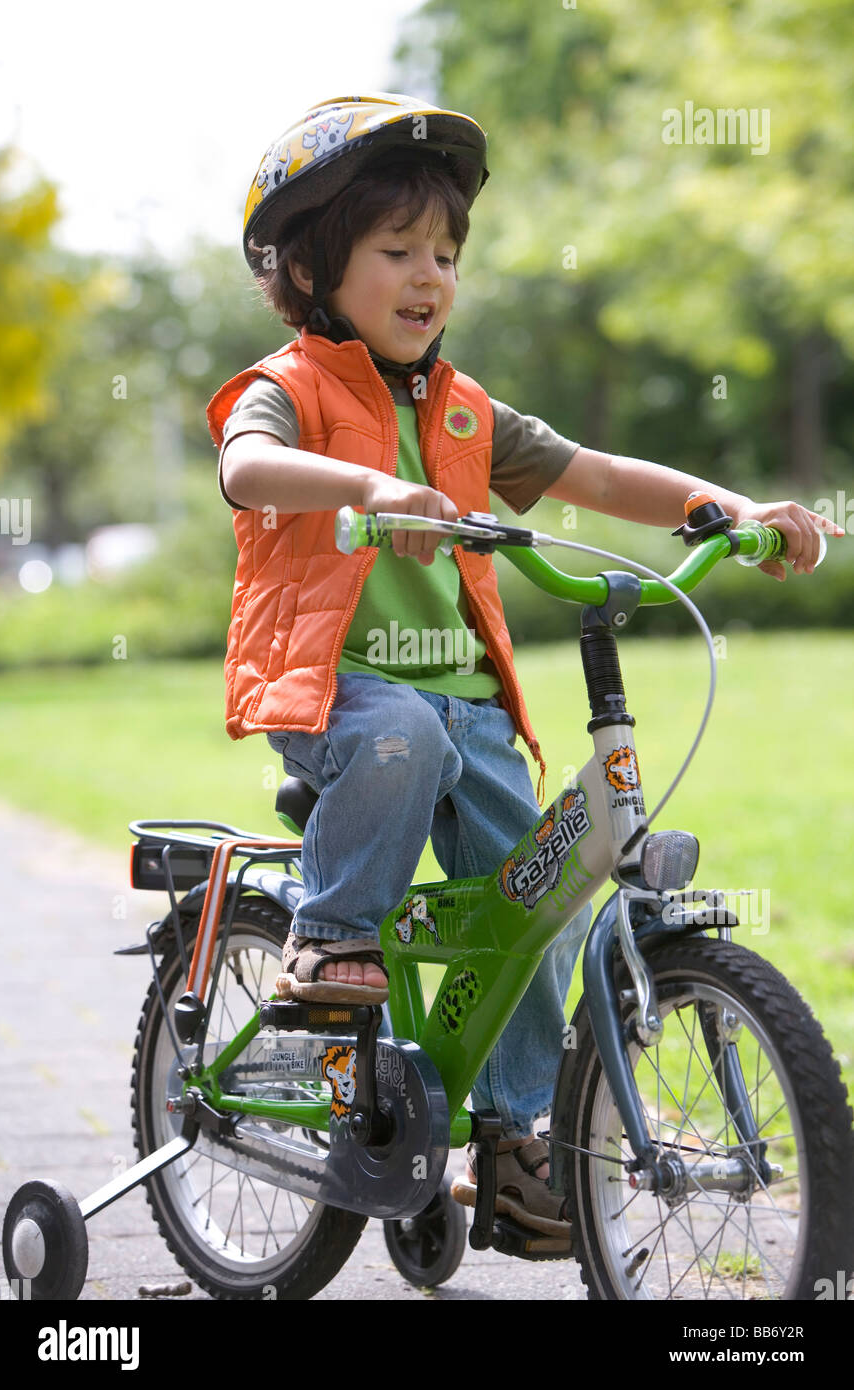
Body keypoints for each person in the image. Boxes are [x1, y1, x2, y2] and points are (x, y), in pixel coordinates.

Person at [206, 93, 838, 1236]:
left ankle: (514, 1142)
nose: (427, 275)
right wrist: (366, 489)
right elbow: (247, 468)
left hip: (466, 704)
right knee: (395, 736)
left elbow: (591, 474)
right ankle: (331, 932)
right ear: (308, 268)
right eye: (395, 250)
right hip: (335, 692)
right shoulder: (285, 389)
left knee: (539, 900)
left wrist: (721, 503)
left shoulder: (463, 413)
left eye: (443, 254)